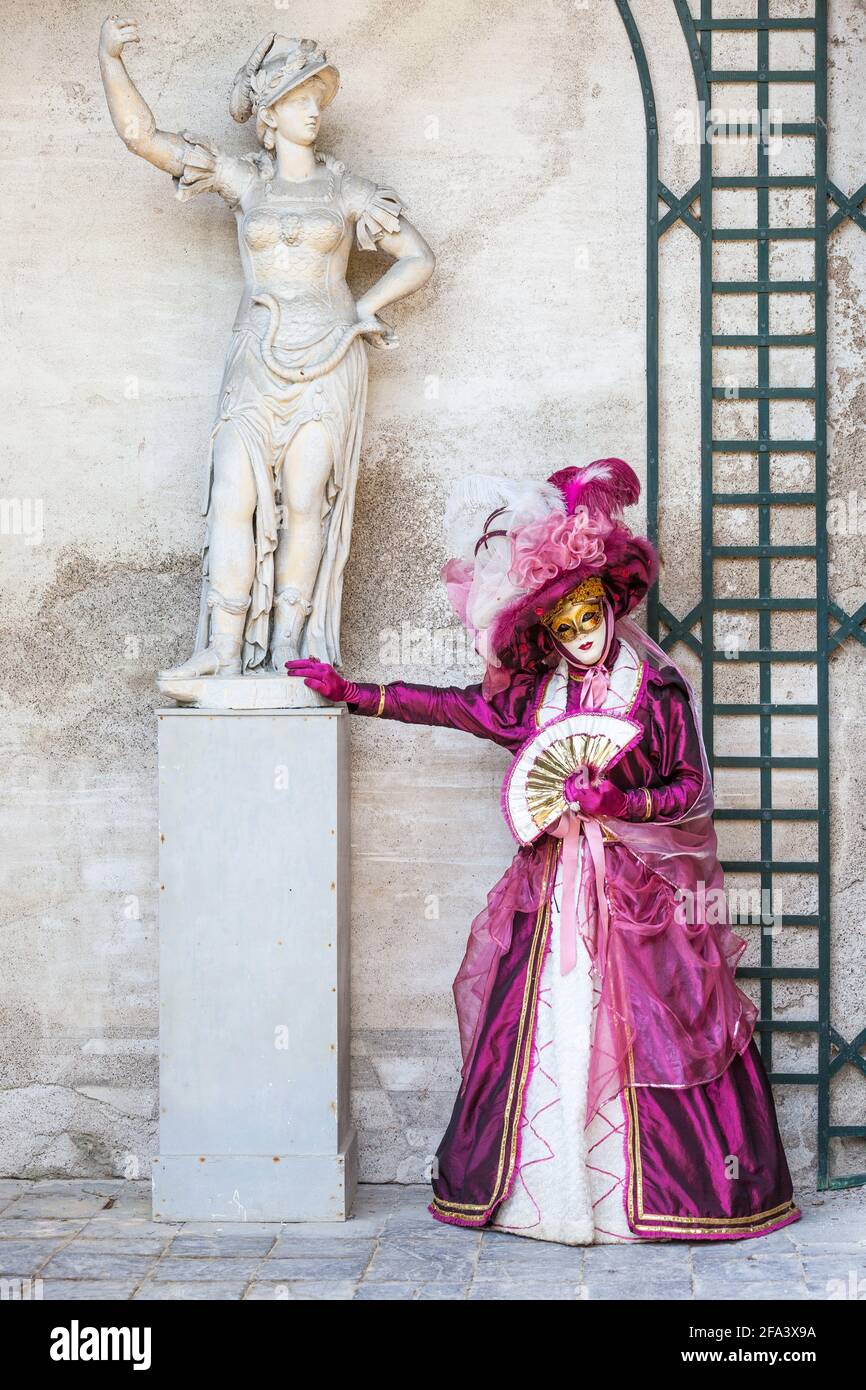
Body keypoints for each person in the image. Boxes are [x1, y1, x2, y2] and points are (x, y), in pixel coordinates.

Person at [288, 458, 799, 1244]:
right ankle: (543, 1194)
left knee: (656, 1024)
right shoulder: (537, 696)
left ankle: (652, 1193)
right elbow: (456, 708)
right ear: (547, 632)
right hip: (554, 886)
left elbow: (689, 792)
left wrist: (620, 803)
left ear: (609, 602)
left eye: (589, 618)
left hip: (641, 899)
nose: (582, 636)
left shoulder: (657, 692)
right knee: (542, 1019)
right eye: (565, 628)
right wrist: (358, 693)